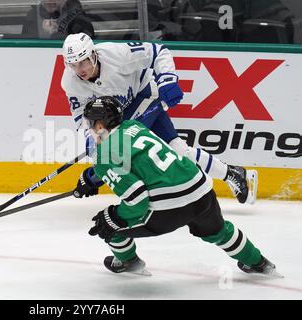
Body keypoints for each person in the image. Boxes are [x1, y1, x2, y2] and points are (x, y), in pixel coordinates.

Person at [79, 96, 280, 277]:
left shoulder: (103, 155)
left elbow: (137, 199)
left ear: (99, 124)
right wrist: (92, 178)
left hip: (169, 210)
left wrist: (115, 216)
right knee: (218, 231)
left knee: (107, 223)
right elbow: (134, 159)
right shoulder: (134, 126)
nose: (88, 127)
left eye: (89, 122)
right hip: (201, 190)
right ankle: (259, 263)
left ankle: (128, 261)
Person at [61, 32, 258, 204]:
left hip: (146, 95)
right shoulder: (70, 82)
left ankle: (99, 178)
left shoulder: (117, 55)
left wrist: (167, 78)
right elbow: (82, 116)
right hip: (122, 111)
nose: (80, 70)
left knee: (121, 148)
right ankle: (232, 173)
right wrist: (90, 138)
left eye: (84, 61)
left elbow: (158, 51)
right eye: (74, 65)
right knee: (177, 149)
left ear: (94, 54)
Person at [22, 0, 94, 39]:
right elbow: (25, 42)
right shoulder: (33, 15)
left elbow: (85, 44)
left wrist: (55, 33)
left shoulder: (78, 17)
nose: (50, 1)